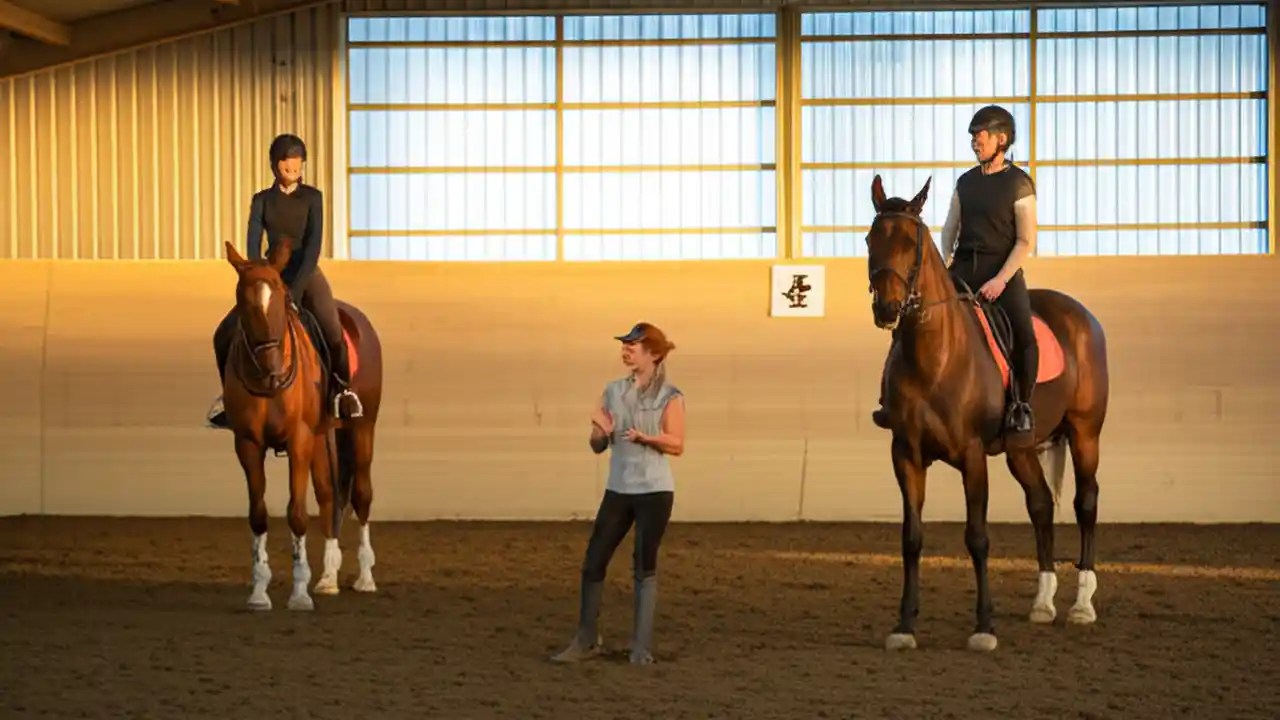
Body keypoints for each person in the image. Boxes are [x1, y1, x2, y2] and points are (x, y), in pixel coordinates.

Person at [871, 105, 1038, 444]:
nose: (975, 142)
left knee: (1025, 337)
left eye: (980, 135)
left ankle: (1020, 407)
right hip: (962, 270)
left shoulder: (1019, 184)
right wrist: (945, 266)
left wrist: (1001, 280)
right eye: (973, 137)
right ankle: (890, 399)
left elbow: (1025, 241)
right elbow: (950, 230)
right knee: (908, 320)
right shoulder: (966, 182)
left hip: (1001, 274)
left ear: (1001, 139)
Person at [550, 322, 686, 666]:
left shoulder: (670, 396)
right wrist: (600, 432)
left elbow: (677, 443)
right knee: (594, 561)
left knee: (644, 563)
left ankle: (640, 647)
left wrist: (647, 438)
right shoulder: (612, 392)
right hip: (619, 490)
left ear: (653, 353)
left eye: (633, 345)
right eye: (625, 345)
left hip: (654, 491)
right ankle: (586, 640)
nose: (626, 350)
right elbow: (597, 445)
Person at [206, 133, 363, 428]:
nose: (293, 171)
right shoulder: (262, 200)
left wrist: (296, 287)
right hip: (269, 274)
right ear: (275, 167)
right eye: (287, 166)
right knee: (223, 333)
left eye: (297, 165)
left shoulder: (313, 198)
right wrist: (257, 275)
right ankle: (229, 398)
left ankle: (343, 391)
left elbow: (314, 246)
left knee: (332, 328)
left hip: (305, 272)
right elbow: (253, 242)